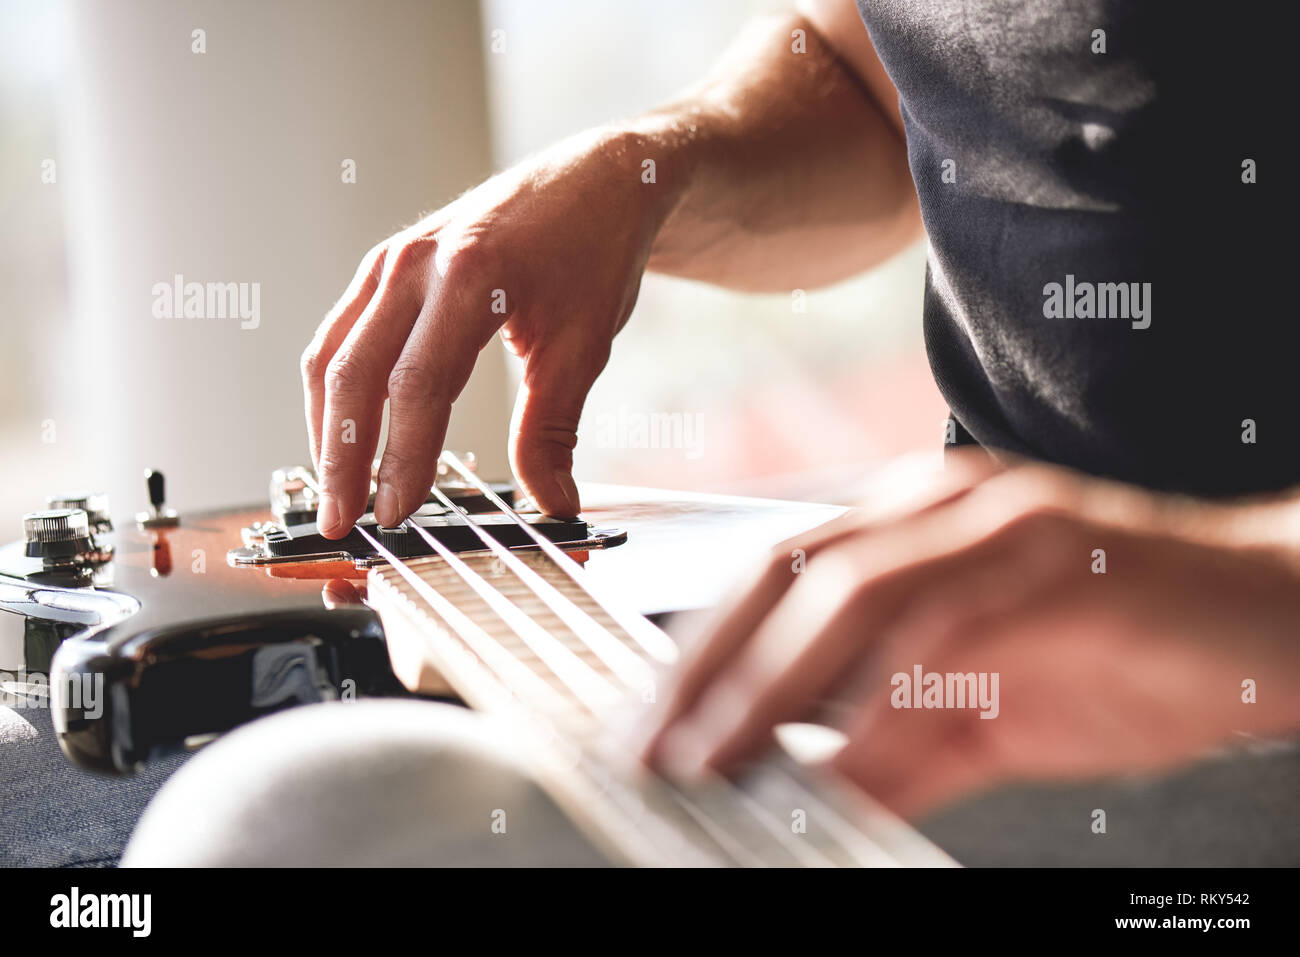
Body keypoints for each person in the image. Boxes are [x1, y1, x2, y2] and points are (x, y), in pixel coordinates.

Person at [127, 0, 1298, 865]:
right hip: (961, 647)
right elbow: (881, 68)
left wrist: (1247, 587)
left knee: (288, 830)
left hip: (1244, 688)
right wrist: (653, 166)